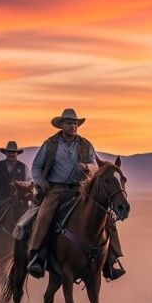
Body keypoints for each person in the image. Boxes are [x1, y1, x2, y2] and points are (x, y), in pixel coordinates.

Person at [27, 109, 125, 280]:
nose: (73, 126)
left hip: (80, 189)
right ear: (61, 125)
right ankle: (37, 256)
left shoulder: (86, 144)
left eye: (75, 123)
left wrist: (87, 167)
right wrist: (41, 182)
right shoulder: (50, 144)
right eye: (69, 123)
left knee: (106, 216)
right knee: (43, 216)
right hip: (56, 188)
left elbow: (96, 166)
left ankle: (111, 259)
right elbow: (36, 166)